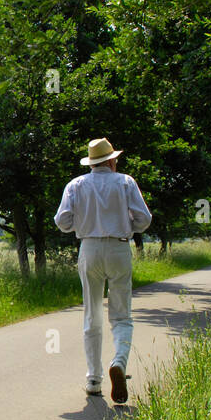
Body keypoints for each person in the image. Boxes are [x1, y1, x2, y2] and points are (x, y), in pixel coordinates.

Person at [53, 138, 152, 404]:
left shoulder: (75, 185)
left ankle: (93, 380)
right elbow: (144, 219)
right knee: (121, 315)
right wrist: (126, 223)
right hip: (119, 247)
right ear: (110, 160)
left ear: (92, 162)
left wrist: (84, 222)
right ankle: (119, 362)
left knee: (92, 313)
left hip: (89, 249)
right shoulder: (125, 182)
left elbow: (62, 221)